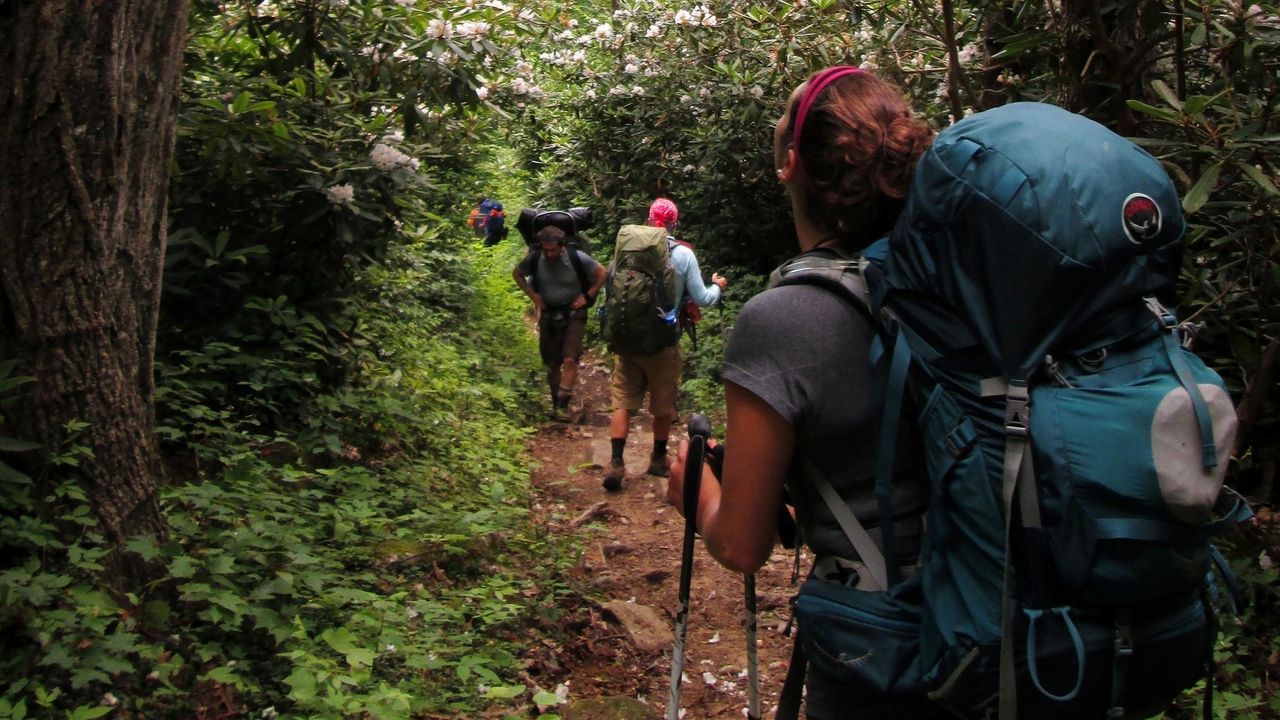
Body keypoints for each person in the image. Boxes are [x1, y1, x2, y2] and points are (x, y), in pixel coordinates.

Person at [665, 68, 944, 718]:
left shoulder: (781, 320)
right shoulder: (953, 286)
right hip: (1009, 616)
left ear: (790, 163)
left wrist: (698, 493)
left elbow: (741, 545)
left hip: (885, 644)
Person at [603, 198, 728, 491]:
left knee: (623, 399)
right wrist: (718, 288)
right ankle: (658, 459)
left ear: (649, 221)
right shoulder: (683, 254)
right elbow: (703, 298)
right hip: (662, 341)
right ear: (675, 223)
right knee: (663, 402)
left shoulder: (628, 250)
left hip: (627, 339)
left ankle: (616, 463)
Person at [513, 225, 607, 420]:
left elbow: (601, 272)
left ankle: (563, 403)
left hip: (574, 313)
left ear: (562, 246)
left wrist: (587, 295)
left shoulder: (576, 257)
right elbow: (517, 274)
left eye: (553, 250)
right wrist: (534, 297)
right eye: (545, 249)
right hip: (548, 313)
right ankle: (557, 404)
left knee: (570, 358)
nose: (549, 254)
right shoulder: (536, 258)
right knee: (551, 363)